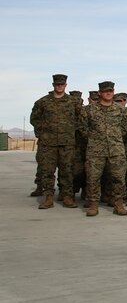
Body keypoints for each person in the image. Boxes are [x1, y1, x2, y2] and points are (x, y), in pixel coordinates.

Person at [30, 74, 80, 209]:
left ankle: (67, 197)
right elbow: (34, 119)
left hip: (67, 143)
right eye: (57, 84)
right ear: (53, 85)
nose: (59, 86)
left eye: (62, 84)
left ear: (65, 85)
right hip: (48, 144)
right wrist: (43, 133)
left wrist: (71, 131)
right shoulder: (43, 102)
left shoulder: (73, 102)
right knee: (47, 171)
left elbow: (81, 119)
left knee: (67, 171)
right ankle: (48, 197)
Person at [82, 81, 127, 216]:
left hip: (116, 150)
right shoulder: (89, 110)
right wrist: (94, 139)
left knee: (119, 178)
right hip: (95, 151)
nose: (108, 93)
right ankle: (93, 205)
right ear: (99, 93)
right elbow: (83, 128)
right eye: (105, 91)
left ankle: (118, 204)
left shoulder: (121, 110)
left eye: (111, 91)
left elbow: (125, 128)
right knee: (93, 178)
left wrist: (115, 138)